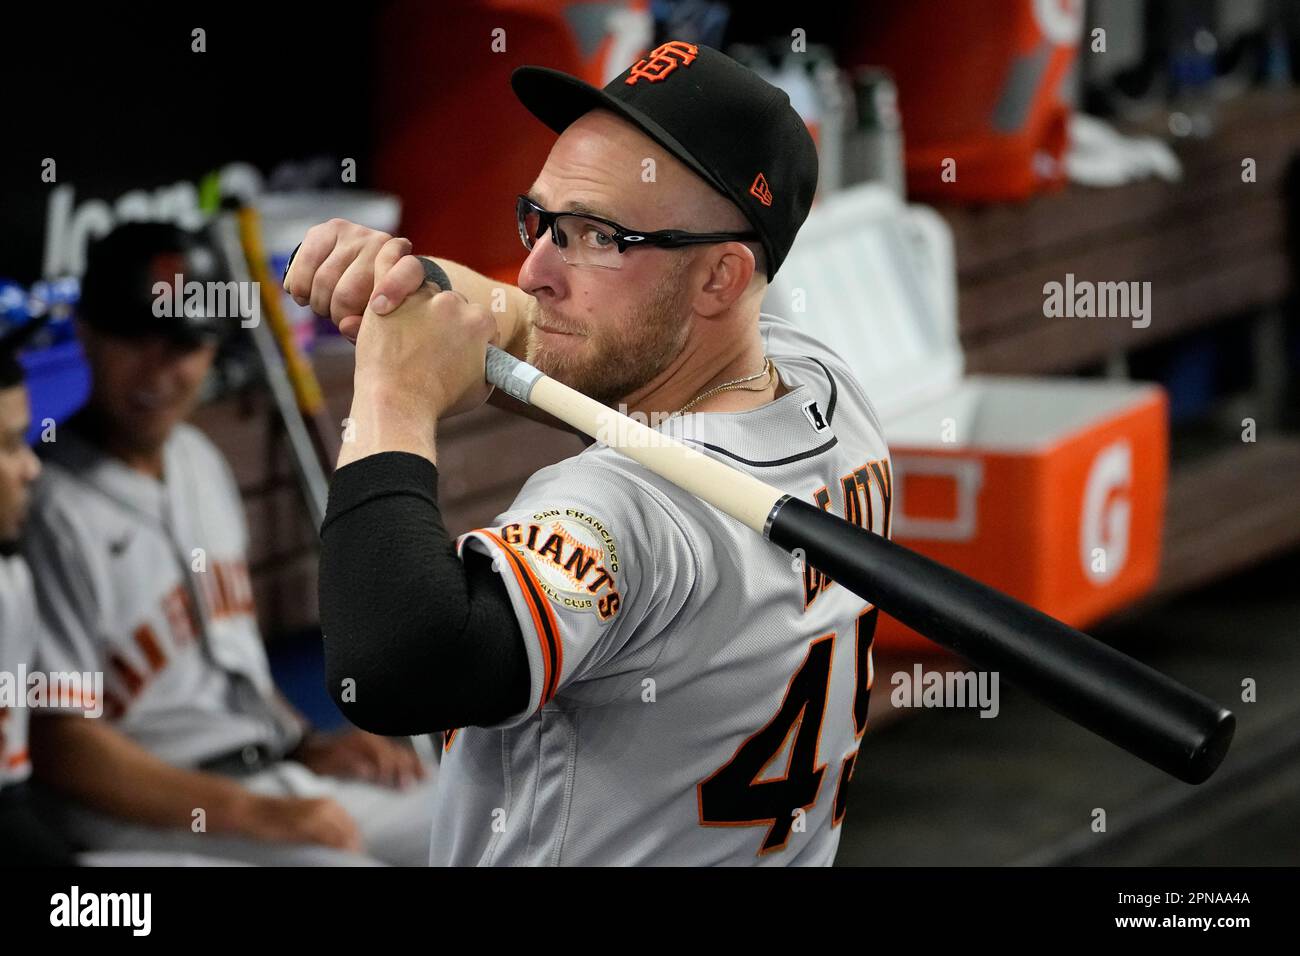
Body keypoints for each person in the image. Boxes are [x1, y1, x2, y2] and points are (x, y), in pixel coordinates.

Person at [291, 41, 893, 865]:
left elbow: (398, 666)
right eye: (539, 220)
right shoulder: (822, 384)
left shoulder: (628, 507)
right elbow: (526, 322)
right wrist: (407, 281)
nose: (535, 268)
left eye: (596, 236)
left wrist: (393, 398)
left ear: (720, 278)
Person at [24, 222, 436, 866]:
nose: (158, 370)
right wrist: (262, 814)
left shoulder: (198, 462)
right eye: (135, 337)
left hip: (264, 772)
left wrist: (305, 744)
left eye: (184, 343)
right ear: (86, 333)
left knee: (473, 824)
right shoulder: (48, 506)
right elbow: (61, 745)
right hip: (141, 818)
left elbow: (229, 658)